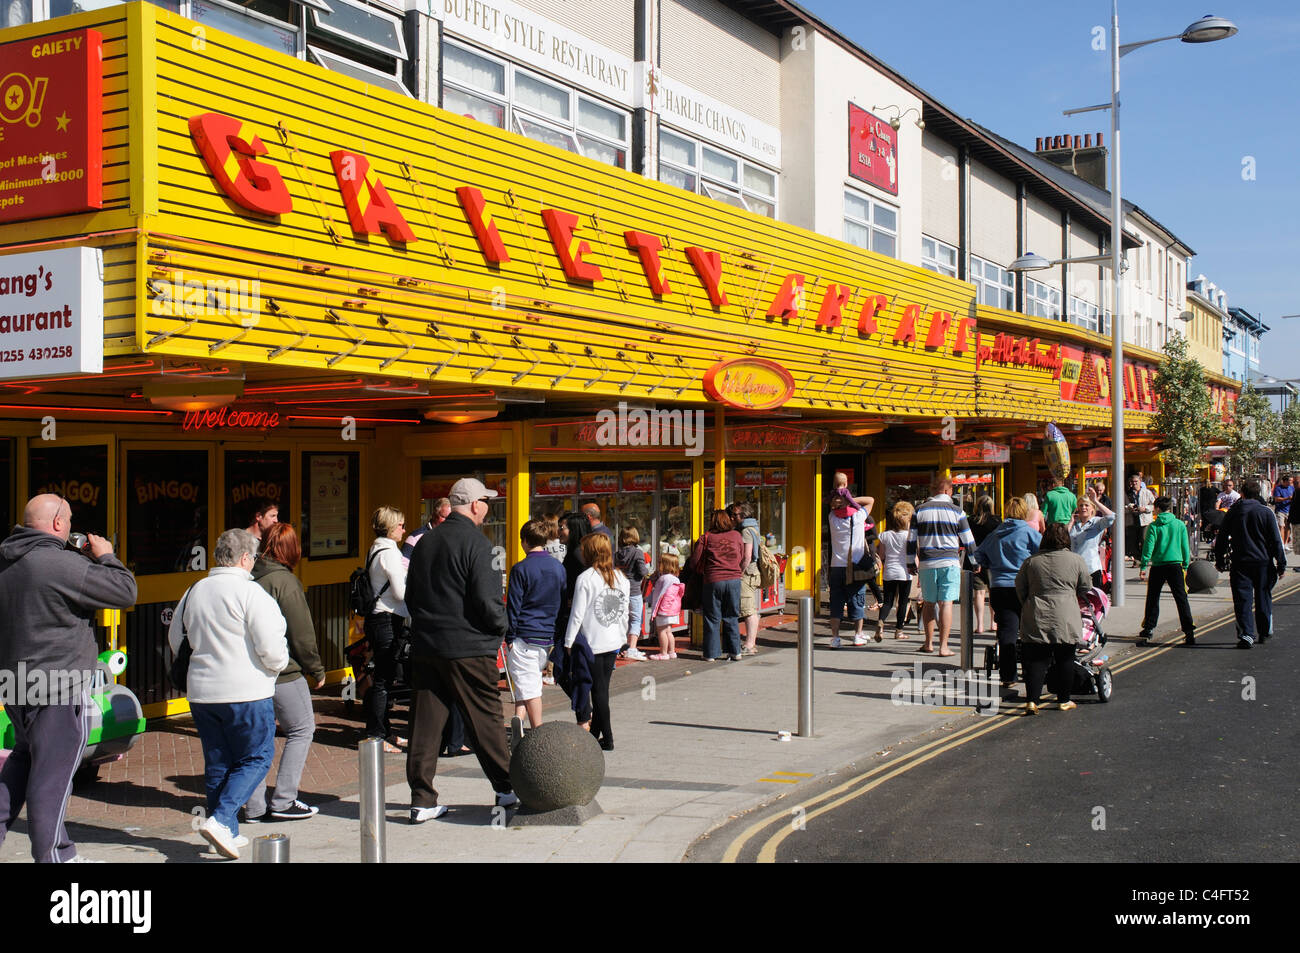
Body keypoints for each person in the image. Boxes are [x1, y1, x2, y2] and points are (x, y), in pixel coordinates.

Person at [0, 494, 137, 863]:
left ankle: (60, 853)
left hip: (16, 685)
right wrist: (106, 555)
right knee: (52, 778)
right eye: (71, 521)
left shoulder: (7, 560)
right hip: (57, 688)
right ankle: (54, 859)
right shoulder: (57, 564)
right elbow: (125, 591)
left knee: (23, 762)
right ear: (59, 523)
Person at [169, 529, 288, 858]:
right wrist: (271, 669)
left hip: (203, 692)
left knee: (219, 762)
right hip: (246, 691)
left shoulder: (194, 591)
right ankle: (221, 820)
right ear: (246, 559)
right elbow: (272, 648)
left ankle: (226, 831)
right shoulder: (252, 593)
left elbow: (176, 639)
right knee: (257, 757)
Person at [405, 478, 517, 822]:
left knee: (424, 724)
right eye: (486, 501)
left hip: (427, 645)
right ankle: (507, 787)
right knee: (485, 720)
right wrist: (501, 625)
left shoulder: (424, 542)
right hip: (468, 646)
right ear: (473, 505)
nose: (488, 507)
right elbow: (487, 600)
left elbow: (410, 596)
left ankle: (422, 799)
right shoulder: (478, 544)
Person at [243, 522, 324, 823]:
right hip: (283, 671)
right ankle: (284, 799)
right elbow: (301, 633)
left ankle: (253, 805)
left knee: (256, 737)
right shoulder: (285, 582)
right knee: (302, 729)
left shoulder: (249, 577)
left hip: (251, 671)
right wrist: (316, 668)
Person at [1014, 523, 1093, 714]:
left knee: (1036, 661)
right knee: (1065, 658)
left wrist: (1029, 602)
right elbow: (1085, 586)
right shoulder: (1076, 560)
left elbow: (1020, 587)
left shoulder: (1032, 561)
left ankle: (1032, 701)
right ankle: (1063, 700)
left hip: (1036, 612)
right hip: (1065, 613)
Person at [563, 533, 628, 750]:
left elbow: (577, 614)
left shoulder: (586, 578)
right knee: (602, 688)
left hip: (592, 642)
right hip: (612, 641)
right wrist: (623, 636)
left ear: (590, 552)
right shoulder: (621, 577)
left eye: (584, 549)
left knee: (598, 692)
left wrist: (569, 642)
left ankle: (607, 738)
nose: (580, 552)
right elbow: (624, 612)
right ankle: (597, 733)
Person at [972, 496, 1041, 699]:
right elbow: (1042, 553)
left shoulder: (996, 533)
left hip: (999, 586)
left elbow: (978, 556)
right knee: (1030, 631)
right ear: (1023, 512)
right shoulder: (1029, 532)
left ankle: (1007, 675)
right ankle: (1031, 671)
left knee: (1006, 632)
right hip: (1023, 586)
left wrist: (992, 565)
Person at [505, 519, 566, 728]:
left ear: (524, 541)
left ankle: (537, 731)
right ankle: (518, 721)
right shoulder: (558, 567)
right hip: (547, 633)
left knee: (530, 688)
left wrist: (510, 636)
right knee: (527, 681)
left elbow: (513, 606)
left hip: (525, 633)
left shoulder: (520, 569)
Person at [1215, 480, 1288, 649]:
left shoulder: (1233, 512)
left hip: (1240, 562)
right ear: (1258, 494)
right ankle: (1264, 631)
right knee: (1263, 596)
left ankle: (1246, 634)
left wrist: (1220, 560)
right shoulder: (1266, 512)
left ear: (1242, 493)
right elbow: (1276, 540)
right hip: (1263, 562)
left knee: (1242, 600)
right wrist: (1281, 564)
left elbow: (1222, 538)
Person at [908, 476, 976, 657]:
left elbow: (911, 539)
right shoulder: (957, 512)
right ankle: (943, 646)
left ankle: (928, 643)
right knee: (946, 603)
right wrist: (975, 562)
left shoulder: (919, 511)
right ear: (948, 491)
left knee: (929, 603)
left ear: (933, 490)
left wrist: (909, 562)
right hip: (949, 562)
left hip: (927, 562)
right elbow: (968, 540)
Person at [363, 506, 409, 754]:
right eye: (400, 524)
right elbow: (400, 593)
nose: (404, 528)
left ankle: (385, 731)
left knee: (383, 677)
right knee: (383, 679)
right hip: (387, 619)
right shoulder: (389, 552)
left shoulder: (375, 547)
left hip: (378, 617)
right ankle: (377, 736)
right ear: (391, 527)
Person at [1137, 496, 1195, 647]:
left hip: (1158, 565)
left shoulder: (1154, 526)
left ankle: (1148, 629)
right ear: (1170, 508)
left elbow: (1148, 548)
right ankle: (1189, 631)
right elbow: (1185, 546)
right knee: (1181, 598)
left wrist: (1143, 566)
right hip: (1175, 565)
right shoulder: (1179, 524)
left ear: (1156, 508)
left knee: (1153, 598)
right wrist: (1186, 565)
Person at [690, 509, 745, 660]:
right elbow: (741, 555)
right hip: (734, 579)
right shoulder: (736, 535)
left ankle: (711, 654)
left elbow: (695, 561)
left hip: (713, 580)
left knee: (712, 618)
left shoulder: (706, 537)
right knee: (731, 616)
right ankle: (735, 651)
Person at [826, 492, 875, 648]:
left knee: (836, 603)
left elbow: (827, 502)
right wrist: (851, 499)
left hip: (836, 567)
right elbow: (870, 499)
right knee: (857, 601)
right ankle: (857, 635)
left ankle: (835, 637)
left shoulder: (832, 518)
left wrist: (838, 499)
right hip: (855, 566)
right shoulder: (859, 517)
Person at [876, 500, 915, 640]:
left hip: (889, 572)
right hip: (905, 572)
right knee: (903, 603)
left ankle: (881, 622)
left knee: (888, 601)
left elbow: (881, 556)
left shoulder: (885, 535)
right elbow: (914, 555)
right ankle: (899, 631)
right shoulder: (910, 537)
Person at [731, 502, 763, 655]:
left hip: (748, 573)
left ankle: (750, 644)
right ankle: (751, 642)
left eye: (736, 515)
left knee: (748, 609)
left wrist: (739, 571)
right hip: (753, 573)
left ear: (743, 515)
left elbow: (747, 556)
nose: (733, 517)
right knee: (750, 608)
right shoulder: (754, 527)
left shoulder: (746, 531)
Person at [1069, 486, 1116, 590]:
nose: (1083, 508)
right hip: (1074, 570)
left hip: (1091, 569)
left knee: (1092, 602)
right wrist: (1071, 522)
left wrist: (1095, 500)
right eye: (1081, 505)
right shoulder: (1075, 525)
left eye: (1086, 505)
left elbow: (1111, 517)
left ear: (1092, 509)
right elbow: (1064, 539)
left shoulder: (1096, 522)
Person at [968, 495, 1000, 634]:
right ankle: (993, 623)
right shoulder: (997, 521)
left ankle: (980, 625)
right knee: (993, 592)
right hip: (993, 560)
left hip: (975, 560)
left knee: (979, 593)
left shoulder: (971, 521)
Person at [615, 527, 649, 660]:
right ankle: (632, 648)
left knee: (621, 619)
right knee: (635, 619)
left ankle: (621, 648)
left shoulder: (616, 554)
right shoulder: (637, 552)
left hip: (619, 591)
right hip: (634, 590)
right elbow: (642, 571)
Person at [647, 552, 684, 660]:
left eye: (660, 562)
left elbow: (658, 592)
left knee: (661, 631)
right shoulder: (675, 579)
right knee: (669, 631)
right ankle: (672, 652)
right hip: (672, 610)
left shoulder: (663, 579)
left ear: (665, 565)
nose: (658, 565)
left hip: (663, 610)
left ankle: (663, 653)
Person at [1124, 473, 1155, 567]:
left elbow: (1154, 505)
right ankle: (1137, 560)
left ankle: (1145, 559)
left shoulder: (1147, 492)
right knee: (1133, 541)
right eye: (1132, 482)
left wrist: (1145, 508)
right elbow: (1121, 507)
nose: (1134, 484)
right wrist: (1128, 508)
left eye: (1136, 482)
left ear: (1140, 482)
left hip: (1145, 521)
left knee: (1144, 539)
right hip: (1132, 521)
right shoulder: (1127, 494)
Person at [1271, 474, 1293, 547]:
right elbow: (1276, 499)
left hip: (1289, 510)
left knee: (1288, 526)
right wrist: (1287, 498)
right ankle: (1282, 543)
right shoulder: (1278, 488)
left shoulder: (1291, 488)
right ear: (1284, 481)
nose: (1290, 482)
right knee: (1281, 526)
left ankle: (1286, 543)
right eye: (1289, 481)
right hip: (1280, 510)